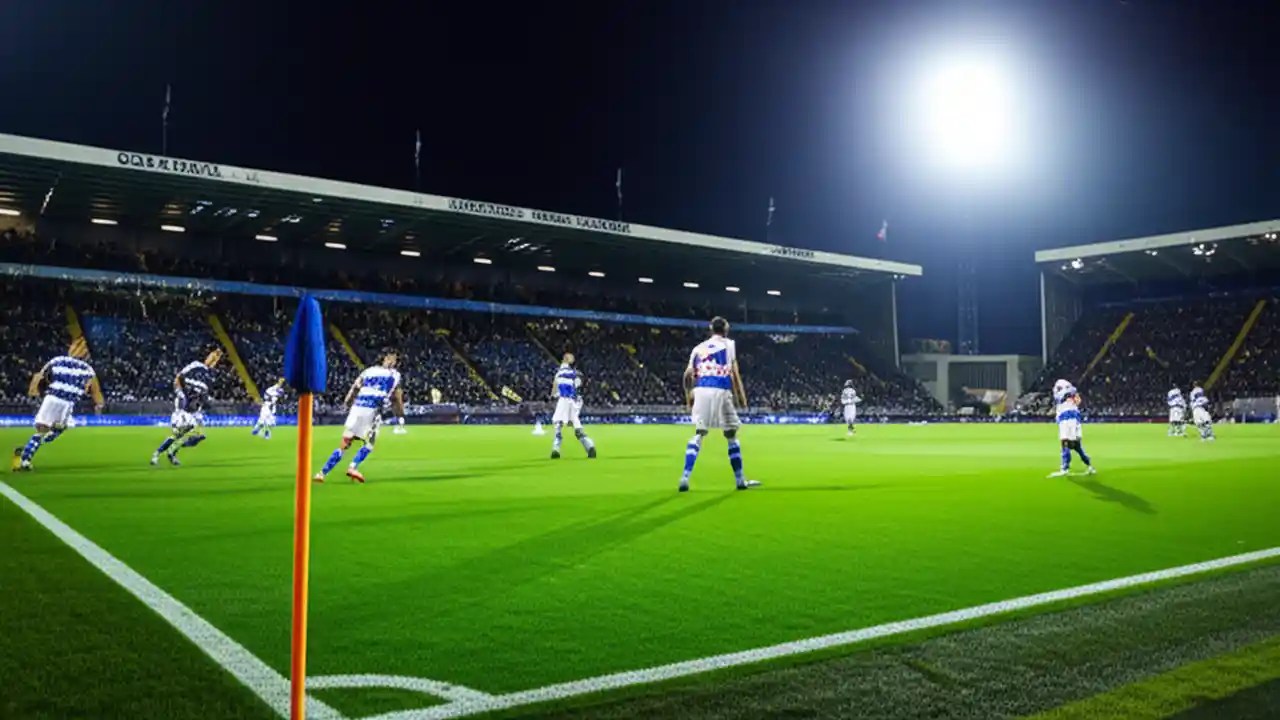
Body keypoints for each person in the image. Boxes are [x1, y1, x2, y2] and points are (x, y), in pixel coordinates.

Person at [679, 317, 759, 492]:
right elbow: (734, 373)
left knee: (699, 433)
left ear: (710, 329)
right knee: (731, 434)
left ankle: (685, 477)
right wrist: (741, 398)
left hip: (700, 390)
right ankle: (740, 480)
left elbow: (687, 376)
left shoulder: (698, 348)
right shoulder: (729, 344)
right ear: (726, 328)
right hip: (721, 389)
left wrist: (688, 399)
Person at [12, 337, 102, 471]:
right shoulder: (86, 368)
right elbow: (95, 390)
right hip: (62, 401)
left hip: (58, 401)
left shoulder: (59, 361)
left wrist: (33, 390)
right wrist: (98, 404)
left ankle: (28, 450)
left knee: (53, 429)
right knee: (50, 429)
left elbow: (39, 376)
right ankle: (25, 459)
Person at [314, 352, 403, 484]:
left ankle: (321, 473)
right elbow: (396, 396)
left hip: (357, 407)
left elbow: (355, 388)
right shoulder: (395, 375)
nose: (391, 361)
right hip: (372, 409)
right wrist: (400, 415)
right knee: (369, 443)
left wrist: (347, 403)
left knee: (345, 442)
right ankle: (352, 467)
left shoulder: (368, 371)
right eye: (390, 358)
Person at [152, 349, 223, 467]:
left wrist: (201, 405)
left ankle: (172, 451)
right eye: (212, 357)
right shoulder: (196, 365)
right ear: (207, 356)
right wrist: (180, 393)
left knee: (196, 436)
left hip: (194, 409)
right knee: (178, 433)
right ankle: (160, 454)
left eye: (216, 359)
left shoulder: (210, 377)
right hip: (183, 404)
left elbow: (203, 394)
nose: (213, 361)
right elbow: (179, 377)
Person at [550, 352, 596, 459]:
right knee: (576, 426)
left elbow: (554, 390)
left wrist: (555, 395)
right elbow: (579, 386)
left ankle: (555, 449)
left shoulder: (560, 373)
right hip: (574, 401)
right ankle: (590, 446)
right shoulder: (575, 373)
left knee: (558, 425)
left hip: (564, 400)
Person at [1047, 378, 1096, 478]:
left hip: (1067, 419)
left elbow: (1062, 398)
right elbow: (1077, 401)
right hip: (1071, 418)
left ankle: (1065, 468)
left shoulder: (1064, 394)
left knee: (1065, 442)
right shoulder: (1070, 393)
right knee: (1076, 446)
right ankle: (1089, 465)